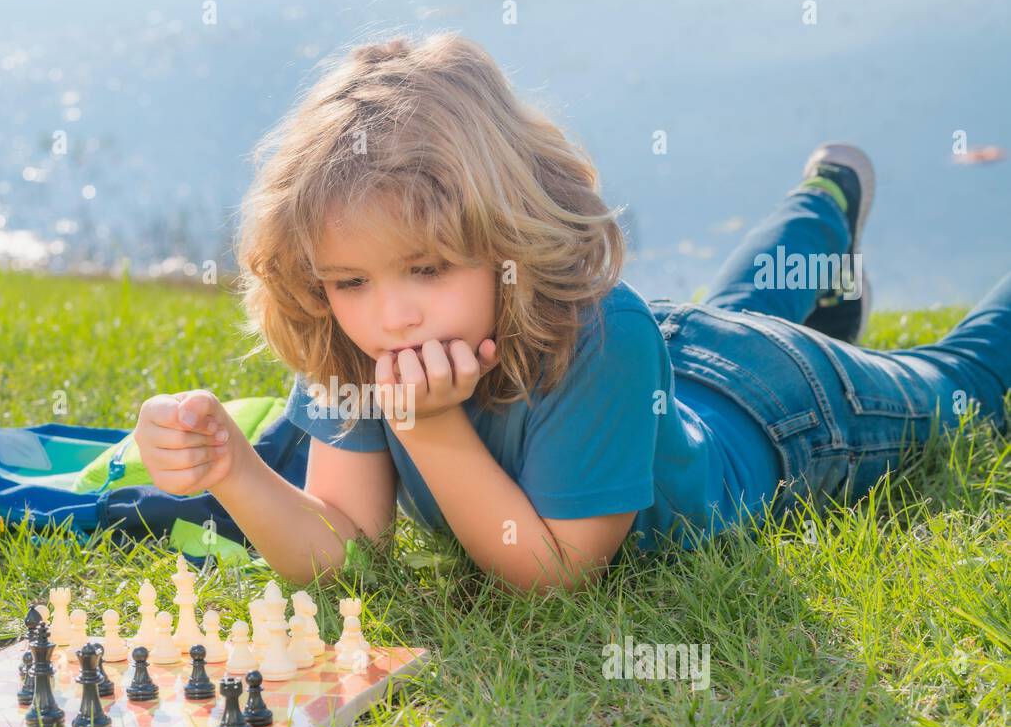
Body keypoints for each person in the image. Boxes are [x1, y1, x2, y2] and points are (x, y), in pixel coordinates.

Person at [131, 32, 1011, 594]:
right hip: (676, 366)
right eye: (350, 280)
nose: (391, 314)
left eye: (427, 267)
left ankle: (822, 211)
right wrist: (234, 470)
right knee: (733, 306)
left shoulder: (602, 339)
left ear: (509, 233)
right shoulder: (351, 339)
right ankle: (823, 201)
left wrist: (433, 429)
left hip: (782, 411)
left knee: (965, 382)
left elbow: (550, 576)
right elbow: (350, 552)